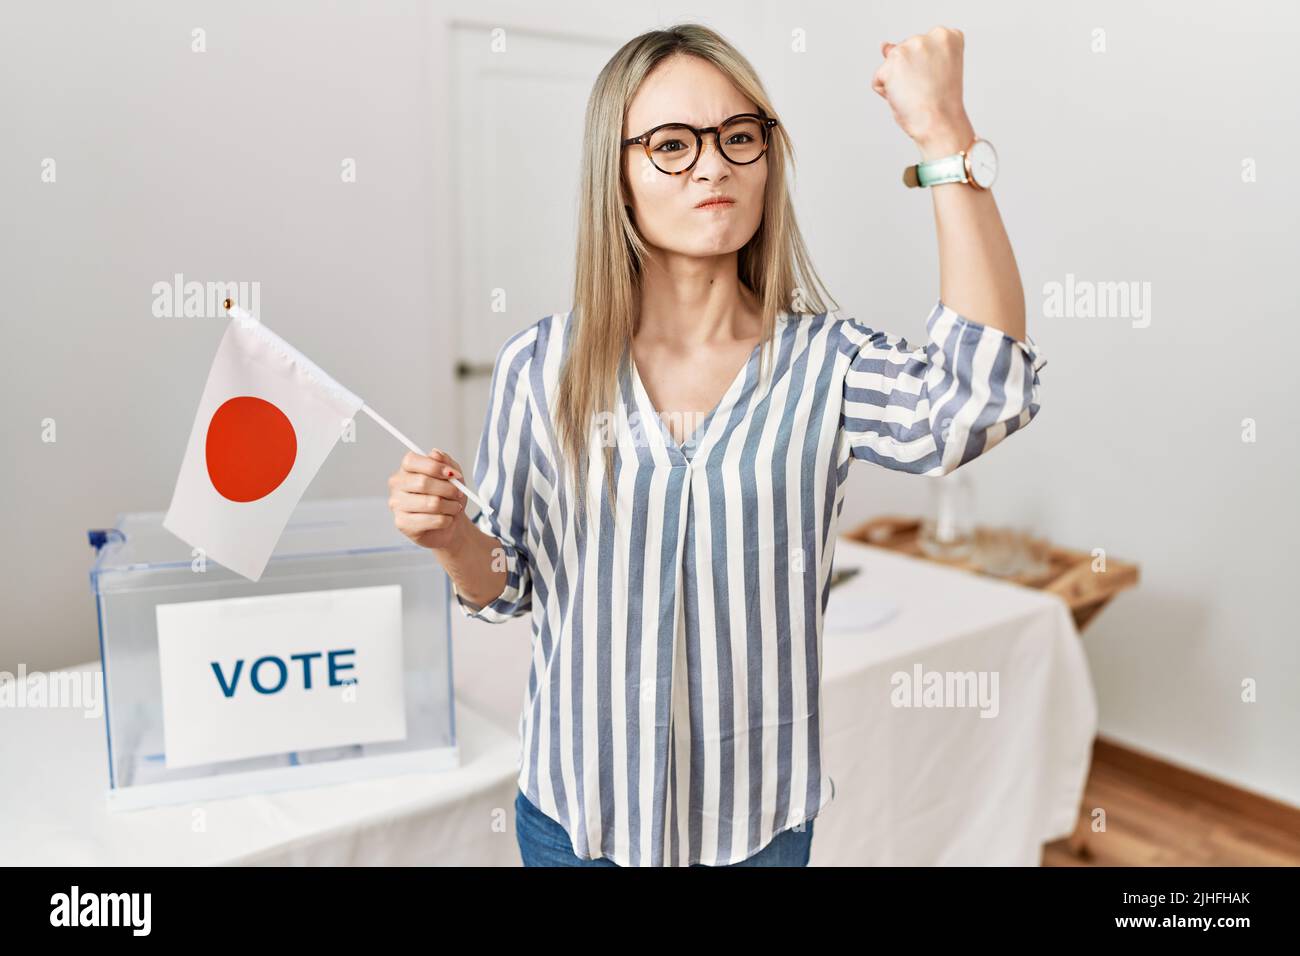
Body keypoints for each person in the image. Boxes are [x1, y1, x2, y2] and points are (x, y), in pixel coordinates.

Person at [388, 23, 1045, 867]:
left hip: (757, 831)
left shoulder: (827, 364)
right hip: (575, 823)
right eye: (671, 144)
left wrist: (946, 137)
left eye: (740, 138)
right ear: (615, 176)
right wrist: (450, 539)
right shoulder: (541, 364)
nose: (714, 165)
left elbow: (981, 398)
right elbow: (510, 584)